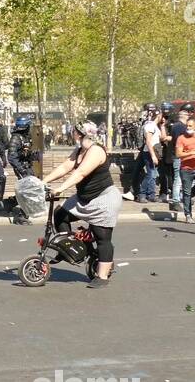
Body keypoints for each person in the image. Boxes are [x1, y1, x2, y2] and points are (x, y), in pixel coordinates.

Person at [42, 121, 123, 289]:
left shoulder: (96, 151)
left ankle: (102, 276)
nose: (71, 132)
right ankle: (74, 247)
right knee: (60, 215)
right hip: (83, 198)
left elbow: (80, 173)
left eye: (73, 130)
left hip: (103, 199)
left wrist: (60, 189)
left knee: (102, 237)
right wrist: (43, 181)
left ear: (79, 133)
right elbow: (66, 166)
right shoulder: (80, 150)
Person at [137, 103, 162, 204]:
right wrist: (153, 155)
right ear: (158, 115)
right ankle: (142, 194)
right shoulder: (150, 125)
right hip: (149, 152)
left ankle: (151, 194)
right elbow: (148, 141)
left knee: (153, 174)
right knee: (150, 174)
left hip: (153, 152)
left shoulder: (154, 126)